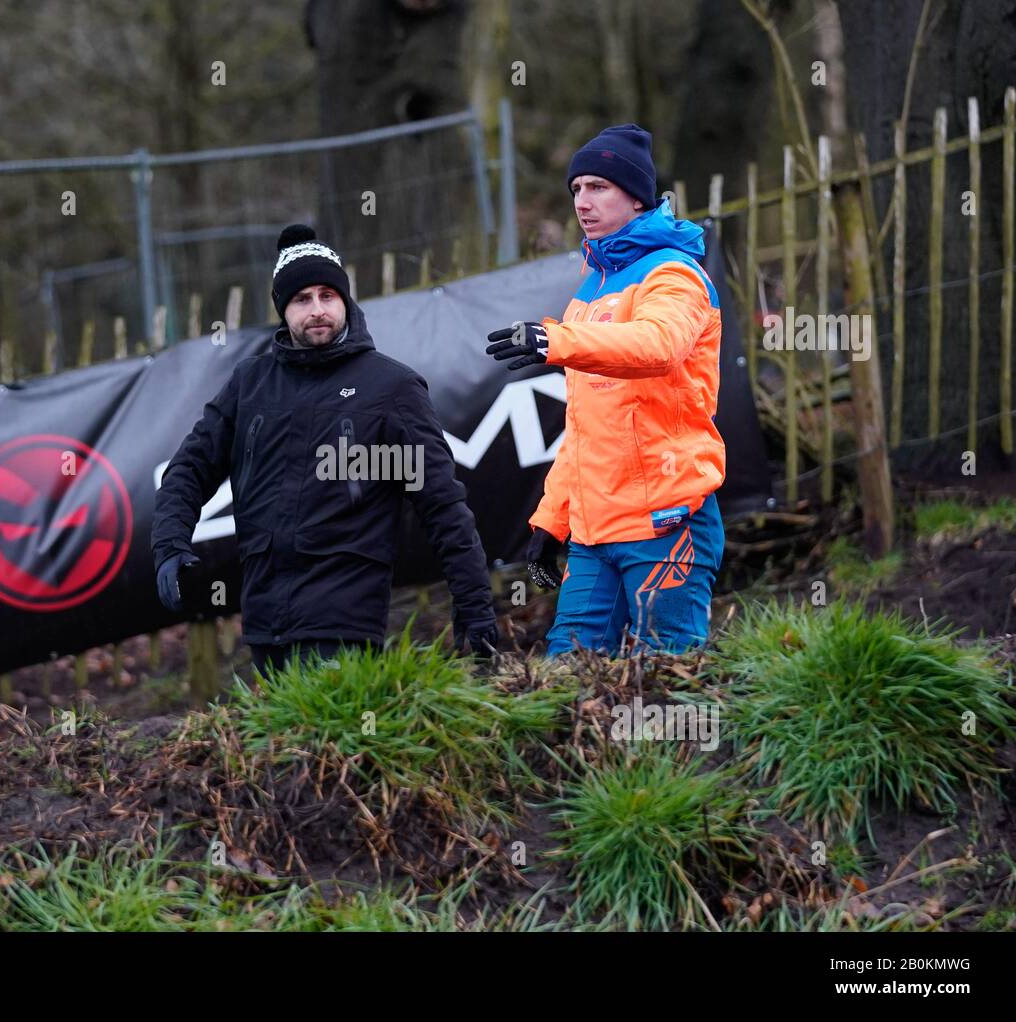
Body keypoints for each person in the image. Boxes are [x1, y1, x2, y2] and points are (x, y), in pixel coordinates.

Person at [152, 224, 499, 677]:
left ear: (345, 302)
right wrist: (170, 541)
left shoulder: (390, 387)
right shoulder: (250, 383)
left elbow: (443, 506)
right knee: (282, 750)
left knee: (335, 748)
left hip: (345, 625)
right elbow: (190, 468)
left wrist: (475, 608)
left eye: (327, 295)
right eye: (302, 299)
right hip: (264, 628)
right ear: (283, 309)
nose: (317, 310)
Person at [483, 124, 726, 655]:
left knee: (666, 678)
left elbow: (658, 344)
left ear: (637, 196)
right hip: (593, 535)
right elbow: (584, 427)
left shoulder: (675, 274)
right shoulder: (590, 290)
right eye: (575, 189)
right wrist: (552, 518)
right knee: (568, 678)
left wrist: (556, 339)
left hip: (667, 517)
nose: (582, 202)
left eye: (598, 187)